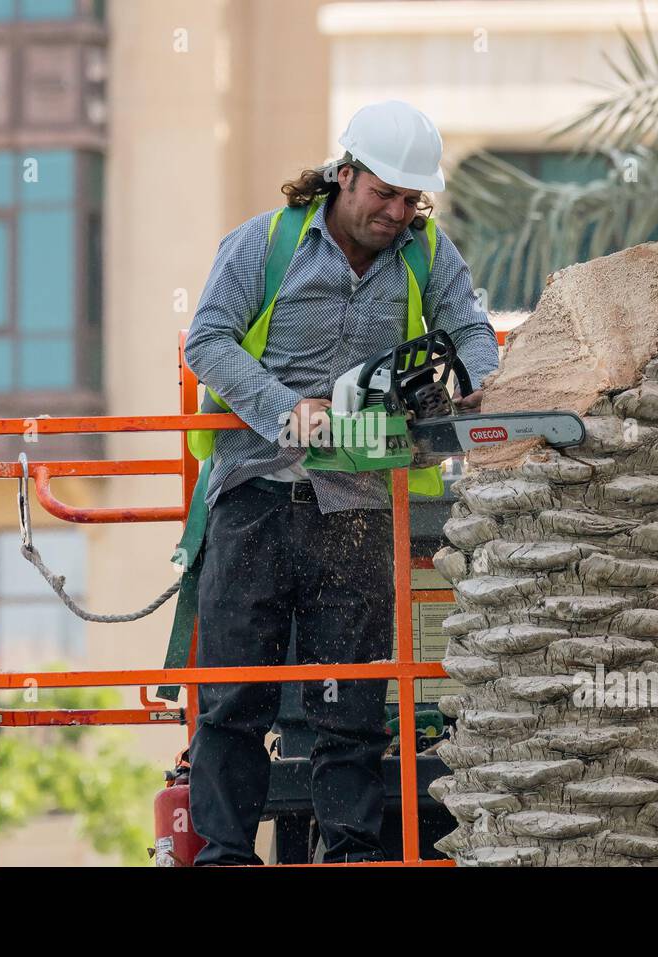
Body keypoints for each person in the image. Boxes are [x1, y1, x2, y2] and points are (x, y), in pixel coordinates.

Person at [182, 100, 499, 865]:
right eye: (383, 194)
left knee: (351, 697)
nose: (396, 212)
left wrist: (486, 388)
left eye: (409, 201)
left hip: (358, 506)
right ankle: (224, 853)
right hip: (255, 495)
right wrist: (288, 411)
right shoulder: (267, 243)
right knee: (234, 698)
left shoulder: (427, 252)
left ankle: (353, 852)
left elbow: (471, 330)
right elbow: (207, 340)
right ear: (344, 174)